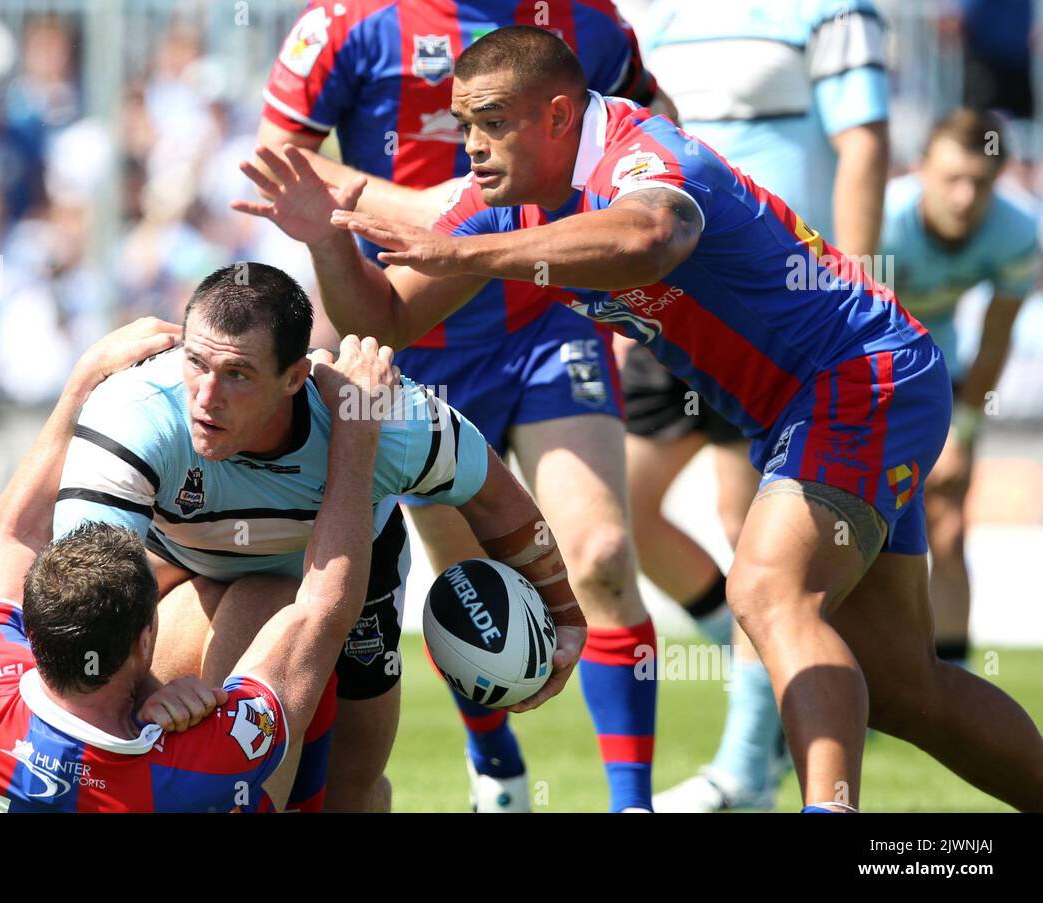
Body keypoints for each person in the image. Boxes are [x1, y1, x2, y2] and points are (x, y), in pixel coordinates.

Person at [237, 25, 1043, 810]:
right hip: (808, 404)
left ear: (557, 116)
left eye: (489, 122)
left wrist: (465, 254)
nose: (468, 144)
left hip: (861, 375)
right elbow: (388, 318)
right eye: (462, 122)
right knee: (904, 689)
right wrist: (324, 244)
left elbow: (655, 235)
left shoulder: (643, 153)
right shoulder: (499, 201)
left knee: (767, 588)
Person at [257, 0, 673, 813]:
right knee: (468, 580)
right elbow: (280, 156)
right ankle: (498, 767)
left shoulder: (588, 21)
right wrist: (414, 205)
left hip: (550, 315)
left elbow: (653, 125)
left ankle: (633, 804)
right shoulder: (351, 21)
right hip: (411, 325)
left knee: (602, 555)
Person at [51, 262, 587, 812]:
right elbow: (83, 604)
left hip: (356, 579)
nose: (206, 397)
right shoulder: (134, 413)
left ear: (294, 377)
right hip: (192, 574)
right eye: (195, 362)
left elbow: (494, 495)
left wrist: (565, 613)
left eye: (238, 374)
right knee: (162, 750)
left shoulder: (383, 417)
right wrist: (141, 692)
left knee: (352, 792)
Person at [0, 319, 400, 811]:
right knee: (267, 601)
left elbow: (13, 537)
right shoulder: (207, 764)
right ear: (144, 640)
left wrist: (79, 385)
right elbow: (320, 608)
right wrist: (356, 434)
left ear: (33, 631)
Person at [637, 0, 892, 812]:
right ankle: (772, 678)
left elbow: (863, 145)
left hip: (783, 309)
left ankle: (748, 766)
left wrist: (848, 287)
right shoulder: (649, 13)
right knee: (621, 513)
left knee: (752, 535)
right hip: (672, 302)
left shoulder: (831, 9)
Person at [882, 108, 1041, 671]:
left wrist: (963, 432)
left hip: (933, 365)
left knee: (947, 525)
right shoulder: (878, 218)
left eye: (979, 182)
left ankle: (953, 686)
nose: (963, 196)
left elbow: (996, 340)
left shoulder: (1020, 231)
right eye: (951, 178)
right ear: (920, 169)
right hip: (856, 369)